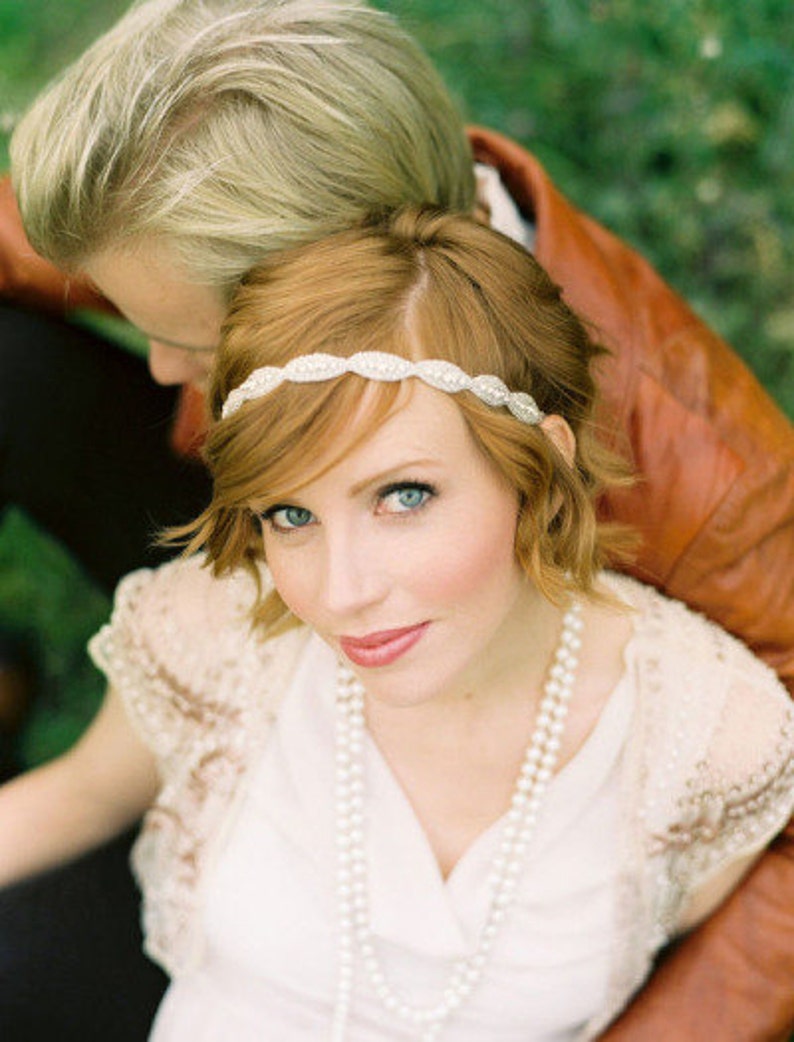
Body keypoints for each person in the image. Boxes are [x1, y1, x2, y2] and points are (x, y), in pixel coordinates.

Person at [1, 0, 793, 1038]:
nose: (158, 366)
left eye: (184, 334)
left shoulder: (707, 491)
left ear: (343, 286)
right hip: (239, 557)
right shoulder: (294, 217)